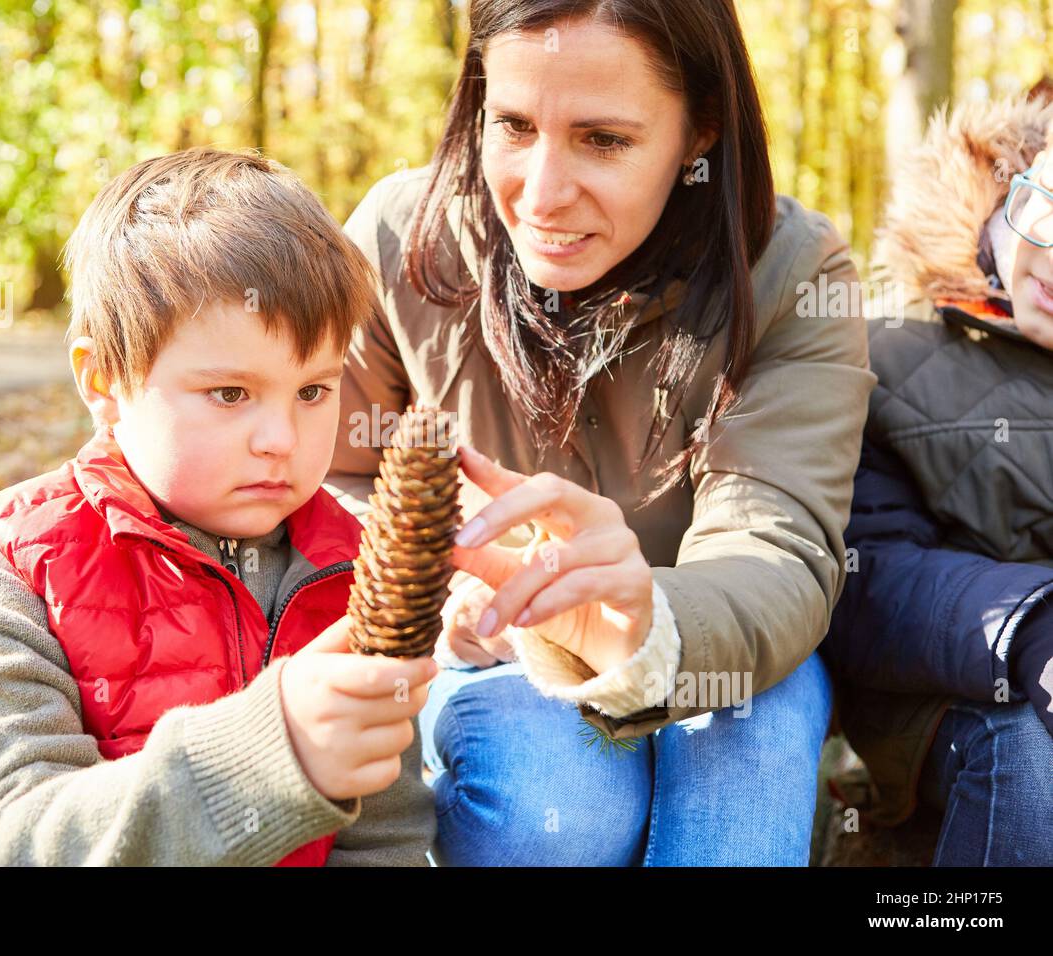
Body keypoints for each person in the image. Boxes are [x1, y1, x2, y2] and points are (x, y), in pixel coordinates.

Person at [326, 0, 875, 865]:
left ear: (700, 129)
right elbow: (328, 483)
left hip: (720, 651)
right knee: (556, 804)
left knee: (746, 762)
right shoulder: (401, 241)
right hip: (485, 658)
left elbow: (779, 554)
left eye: (604, 140)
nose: (541, 195)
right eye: (510, 124)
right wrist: (436, 601)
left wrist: (639, 624)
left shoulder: (793, 275)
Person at [0, 148, 437, 866]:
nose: (281, 440)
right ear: (103, 380)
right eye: (230, 394)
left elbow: (387, 836)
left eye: (314, 391)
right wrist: (257, 762)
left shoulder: (361, 574)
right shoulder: (14, 576)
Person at [823, 94, 1053, 866]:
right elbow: (864, 578)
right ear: (1011, 192)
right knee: (1027, 747)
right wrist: (1029, 628)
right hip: (952, 700)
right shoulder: (887, 356)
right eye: (1041, 209)